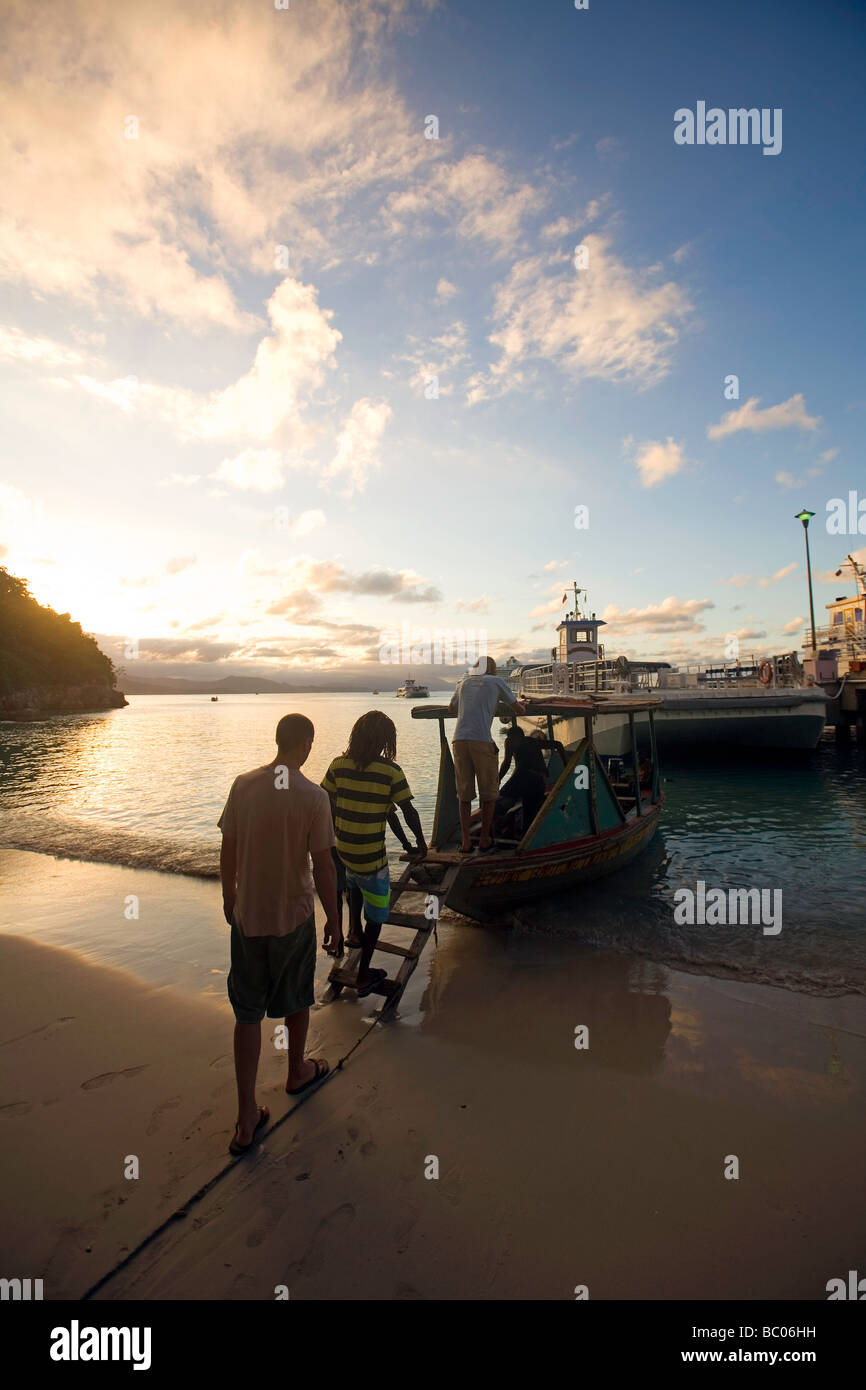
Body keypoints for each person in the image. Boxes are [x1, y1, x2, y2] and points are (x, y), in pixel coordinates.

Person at [218, 713, 339, 1155]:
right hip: (292, 916)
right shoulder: (313, 796)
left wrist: (230, 897)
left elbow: (228, 847)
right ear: (306, 744)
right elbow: (324, 866)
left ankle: (246, 1116)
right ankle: (296, 1072)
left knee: (246, 1012)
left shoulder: (243, 785)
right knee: (297, 998)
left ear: (277, 742)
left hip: (248, 916)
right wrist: (336, 919)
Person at [321, 711, 426, 997]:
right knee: (378, 915)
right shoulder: (390, 772)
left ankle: (354, 930)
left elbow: (324, 798)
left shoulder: (338, 765)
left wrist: (334, 825)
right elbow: (408, 811)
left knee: (354, 881)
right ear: (385, 741)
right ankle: (365, 972)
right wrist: (420, 843)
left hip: (344, 850)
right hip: (371, 857)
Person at [448, 656, 525, 852]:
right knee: (488, 793)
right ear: (493, 670)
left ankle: (465, 842)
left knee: (464, 795)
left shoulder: (463, 682)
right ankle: (483, 839)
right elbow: (519, 709)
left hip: (459, 739)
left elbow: (452, 708)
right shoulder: (497, 681)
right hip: (481, 740)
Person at [495, 724, 566, 834]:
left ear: (517, 737)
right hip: (539, 781)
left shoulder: (510, 742)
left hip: (528, 778)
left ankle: (501, 821)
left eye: (512, 739)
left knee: (502, 797)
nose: (511, 741)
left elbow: (507, 763)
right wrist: (566, 764)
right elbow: (558, 745)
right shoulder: (532, 741)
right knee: (529, 813)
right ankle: (523, 836)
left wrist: (498, 779)